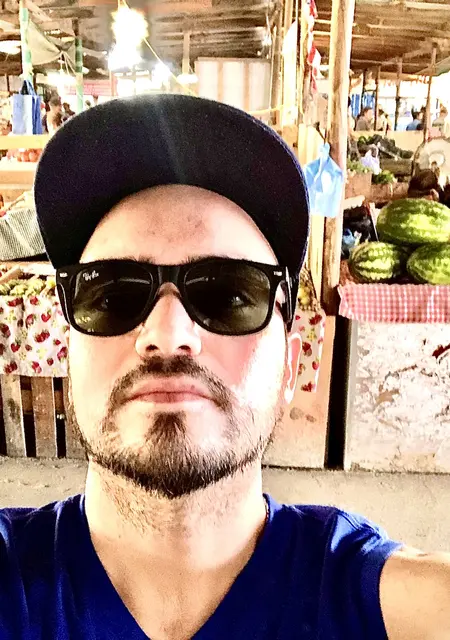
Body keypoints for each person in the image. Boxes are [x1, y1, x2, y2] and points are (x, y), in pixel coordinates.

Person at [0, 95, 448, 639]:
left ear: (291, 365)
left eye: (230, 295)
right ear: (67, 351)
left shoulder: (382, 602)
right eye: (113, 295)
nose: (167, 334)